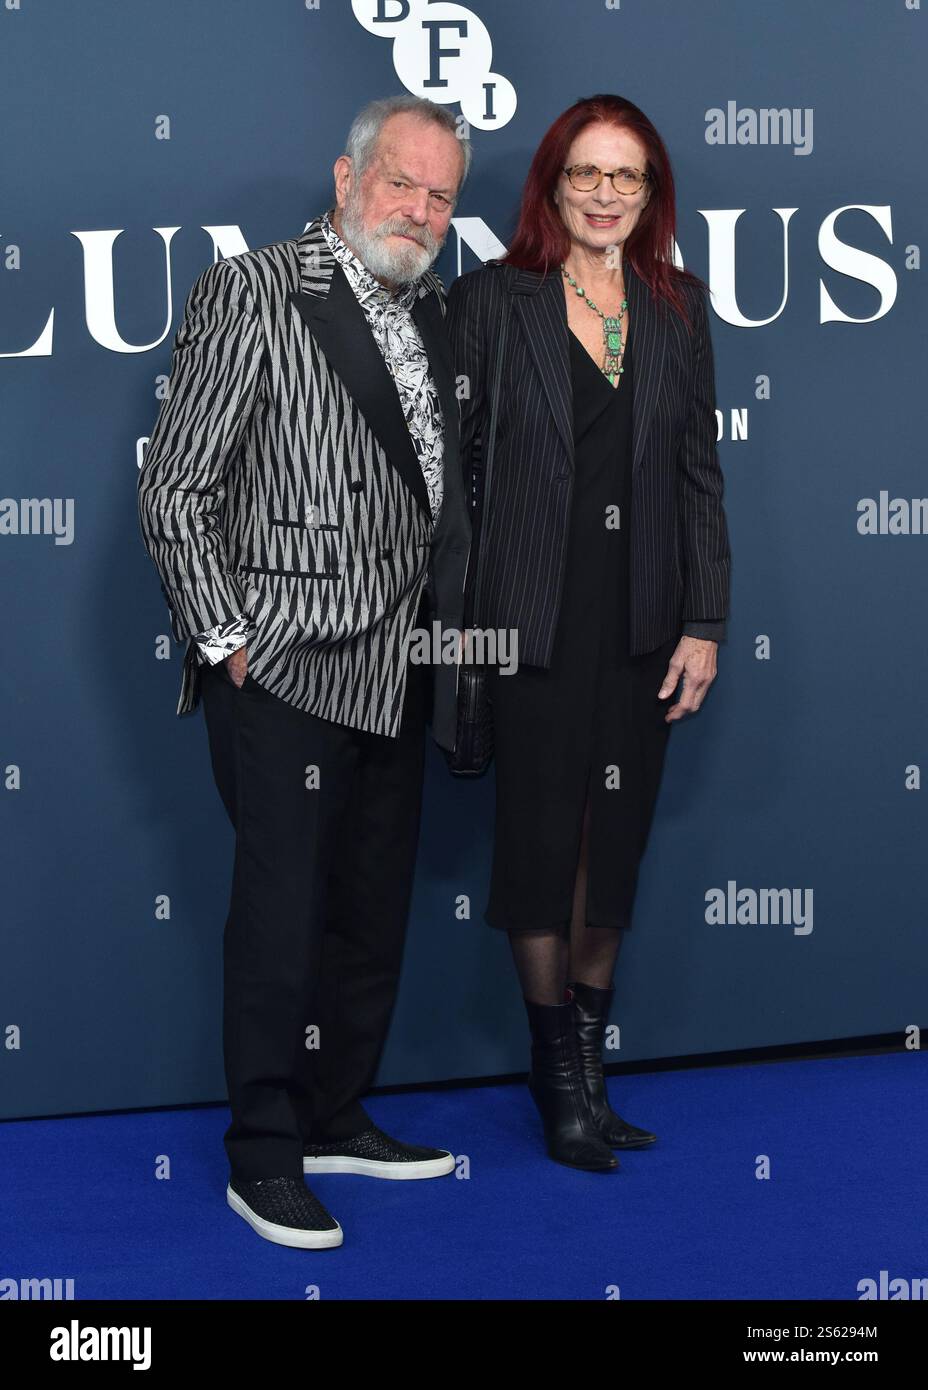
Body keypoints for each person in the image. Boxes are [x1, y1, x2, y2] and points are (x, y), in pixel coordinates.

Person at [137, 95, 472, 1247]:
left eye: (440, 196)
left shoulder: (432, 310)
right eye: (401, 184)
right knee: (281, 921)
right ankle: (264, 1151)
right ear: (345, 177)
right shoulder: (259, 289)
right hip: (279, 670)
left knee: (367, 914)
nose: (419, 210)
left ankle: (334, 1112)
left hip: (398, 668)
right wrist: (228, 640)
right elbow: (175, 488)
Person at [447, 93, 731, 1173]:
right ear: (551, 184)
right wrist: (459, 634)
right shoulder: (490, 302)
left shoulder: (676, 307)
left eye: (628, 177)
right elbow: (455, 488)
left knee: (609, 851)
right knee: (538, 845)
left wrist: (704, 620)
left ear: (650, 194)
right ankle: (554, 1079)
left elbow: (701, 478)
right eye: (586, 174)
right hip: (528, 626)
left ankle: (594, 1076)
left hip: (642, 627)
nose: (606, 194)